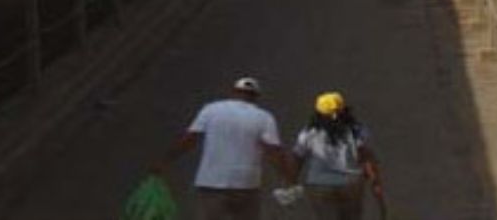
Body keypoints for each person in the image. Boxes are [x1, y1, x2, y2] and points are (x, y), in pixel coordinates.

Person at [155, 76, 290, 220]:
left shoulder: (211, 110)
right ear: (256, 96)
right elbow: (273, 150)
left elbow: (190, 139)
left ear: (234, 92)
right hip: (246, 183)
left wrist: (165, 161)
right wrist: (286, 176)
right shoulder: (264, 117)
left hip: (211, 181)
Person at [287, 92, 384, 219]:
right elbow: (366, 157)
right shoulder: (355, 130)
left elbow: (297, 158)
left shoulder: (309, 132)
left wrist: (291, 182)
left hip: (320, 185)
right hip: (351, 184)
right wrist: (375, 183)